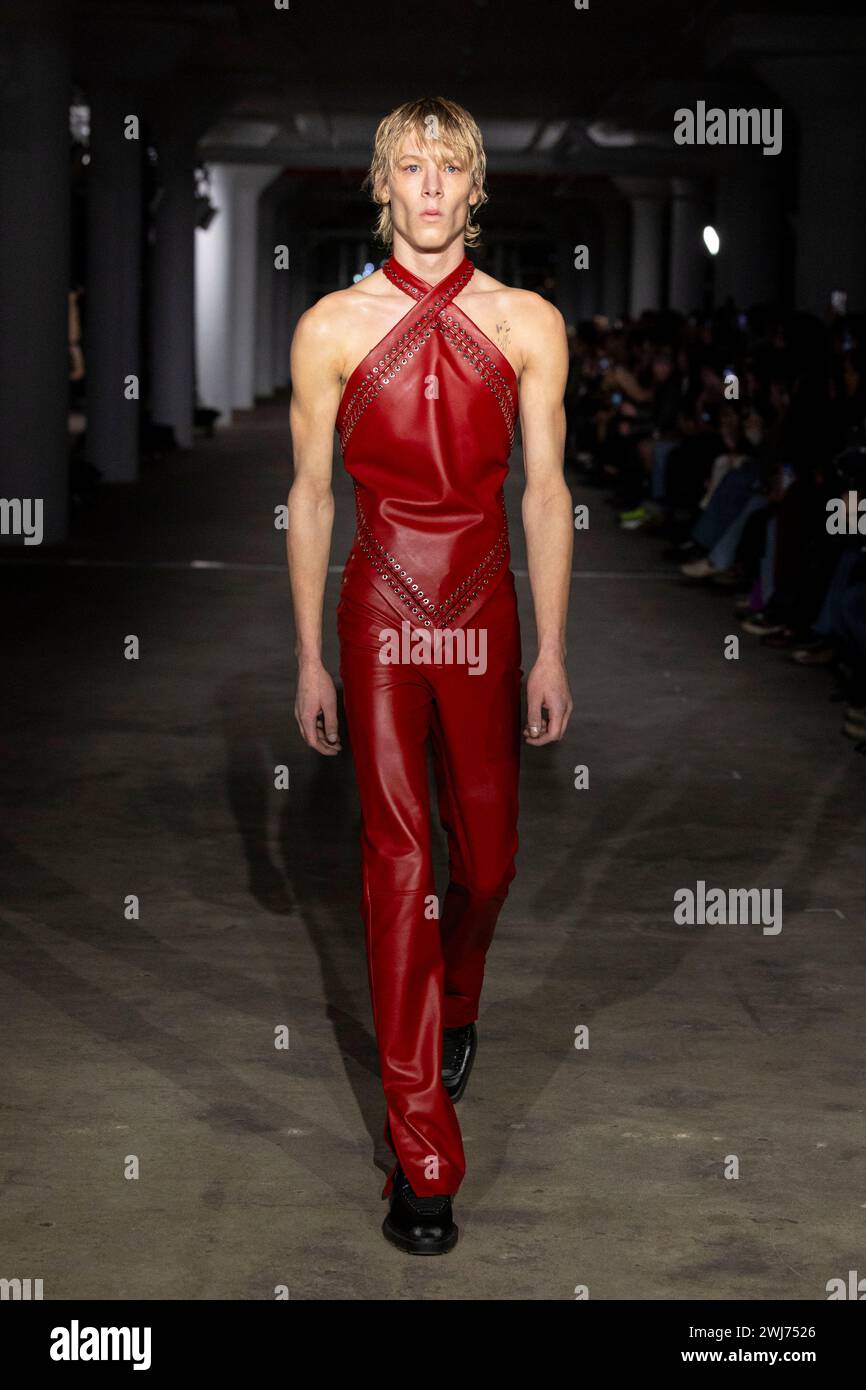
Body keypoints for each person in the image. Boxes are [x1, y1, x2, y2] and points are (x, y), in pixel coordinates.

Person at [286, 96, 573, 1255]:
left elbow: (544, 496)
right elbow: (307, 498)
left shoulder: (529, 323)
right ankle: (425, 1153)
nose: (430, 187)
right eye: (410, 168)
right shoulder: (330, 328)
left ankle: (458, 1002)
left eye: (449, 168)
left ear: (474, 186)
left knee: (489, 858)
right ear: (381, 185)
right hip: (378, 615)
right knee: (399, 865)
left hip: (485, 610)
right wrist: (308, 652)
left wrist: (551, 646)